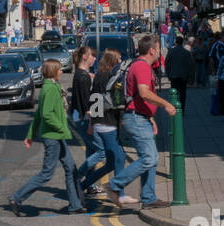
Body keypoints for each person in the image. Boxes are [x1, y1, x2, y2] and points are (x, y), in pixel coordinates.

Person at [106, 34, 176, 210]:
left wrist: (150, 117)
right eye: (159, 50)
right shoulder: (142, 67)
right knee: (149, 157)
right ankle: (114, 185)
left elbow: (137, 97)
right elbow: (144, 93)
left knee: (151, 159)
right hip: (136, 118)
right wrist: (166, 104)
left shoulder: (139, 66)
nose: (160, 53)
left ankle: (148, 197)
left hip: (139, 117)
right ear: (152, 51)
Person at [9, 60, 85, 216]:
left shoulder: (52, 87)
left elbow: (38, 114)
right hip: (52, 136)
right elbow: (46, 115)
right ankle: (17, 198)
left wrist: (30, 135)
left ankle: (75, 205)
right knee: (46, 173)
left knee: (70, 168)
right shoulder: (49, 89)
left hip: (56, 135)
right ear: (53, 71)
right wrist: (63, 128)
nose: (62, 72)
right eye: (59, 70)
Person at [81, 47, 128, 196]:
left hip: (105, 123)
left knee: (113, 161)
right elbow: (96, 101)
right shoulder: (106, 77)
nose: (120, 62)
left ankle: (82, 185)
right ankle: (118, 193)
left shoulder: (103, 76)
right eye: (118, 59)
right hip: (106, 125)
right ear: (112, 61)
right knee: (115, 157)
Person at [68, 46, 97, 179]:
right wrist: (92, 123)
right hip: (85, 119)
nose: (95, 58)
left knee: (91, 151)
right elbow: (87, 105)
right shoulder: (83, 77)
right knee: (101, 151)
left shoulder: (80, 74)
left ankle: (90, 183)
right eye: (92, 55)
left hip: (80, 117)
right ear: (85, 57)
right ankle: (78, 177)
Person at [164, 34, 194, 112]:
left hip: (173, 76)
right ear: (182, 42)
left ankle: (174, 108)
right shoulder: (186, 52)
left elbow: (167, 63)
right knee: (183, 93)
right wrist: (190, 77)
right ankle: (182, 109)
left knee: (174, 94)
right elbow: (190, 65)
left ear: (175, 42)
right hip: (183, 76)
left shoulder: (171, 51)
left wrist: (168, 74)